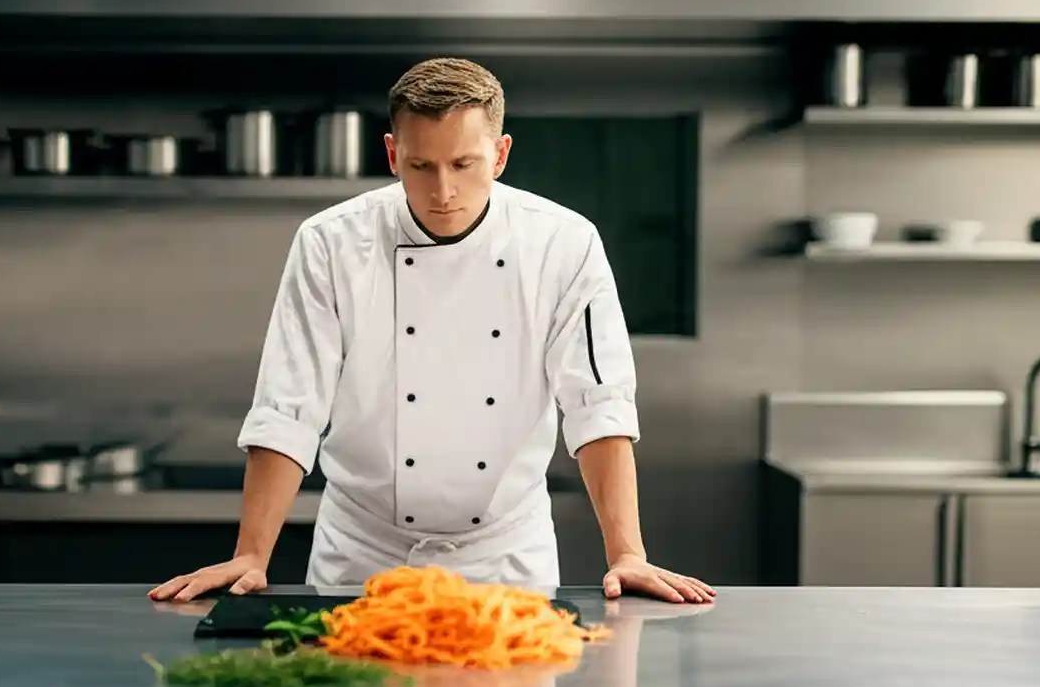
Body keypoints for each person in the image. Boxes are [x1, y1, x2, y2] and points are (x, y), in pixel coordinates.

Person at [150, 58, 714, 605]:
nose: (443, 190)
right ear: (393, 155)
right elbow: (289, 406)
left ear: (500, 154)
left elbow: (598, 405)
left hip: (504, 560)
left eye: (464, 164)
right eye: (422, 167)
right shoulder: (331, 243)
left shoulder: (562, 245)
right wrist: (251, 555)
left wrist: (628, 553)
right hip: (364, 557)